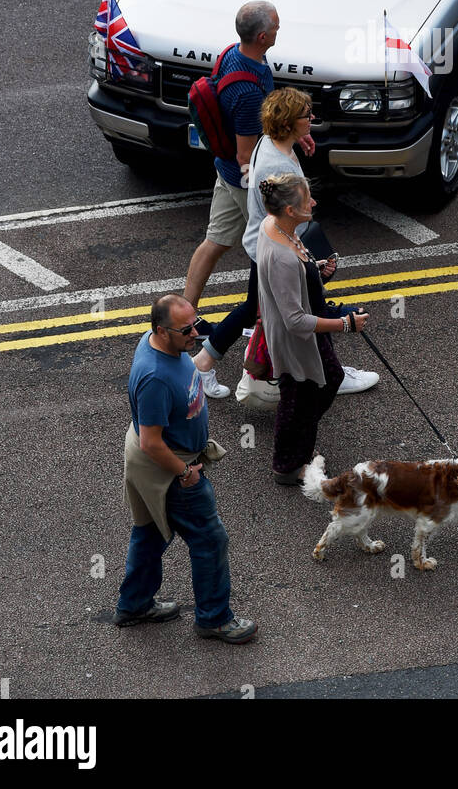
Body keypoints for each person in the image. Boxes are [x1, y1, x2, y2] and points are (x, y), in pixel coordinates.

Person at [191, 86, 379, 401]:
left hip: (269, 244)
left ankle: (205, 361)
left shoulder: (271, 142)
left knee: (259, 307)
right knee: (304, 307)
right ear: (289, 122)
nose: (313, 118)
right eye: (307, 116)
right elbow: (282, 215)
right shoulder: (275, 167)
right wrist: (301, 259)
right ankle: (330, 374)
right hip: (276, 247)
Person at [183, 0, 313, 399]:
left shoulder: (237, 54)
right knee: (265, 287)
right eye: (276, 25)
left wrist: (293, 135)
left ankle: (184, 322)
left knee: (215, 243)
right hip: (242, 181)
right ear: (262, 36)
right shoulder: (243, 92)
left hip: (226, 173)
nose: (279, 28)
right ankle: (208, 357)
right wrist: (270, 217)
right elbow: (247, 157)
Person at [114, 293, 257, 644]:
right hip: (169, 468)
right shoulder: (155, 377)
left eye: (196, 323)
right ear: (162, 331)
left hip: (162, 460)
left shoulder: (159, 345)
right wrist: (183, 472)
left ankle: (134, 604)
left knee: (149, 534)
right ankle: (214, 618)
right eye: (186, 329)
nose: (196, 333)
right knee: (209, 540)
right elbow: (151, 441)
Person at [255, 173, 371, 484]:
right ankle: (287, 466)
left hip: (307, 335)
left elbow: (292, 279)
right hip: (297, 340)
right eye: (308, 200)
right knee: (301, 397)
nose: (314, 202)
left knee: (319, 385)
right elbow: (295, 319)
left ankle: (299, 444)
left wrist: (314, 269)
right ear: (290, 210)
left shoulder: (277, 227)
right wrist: (345, 325)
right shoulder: (281, 256)